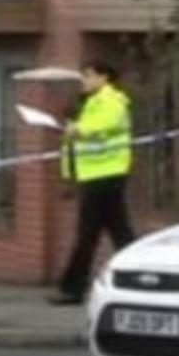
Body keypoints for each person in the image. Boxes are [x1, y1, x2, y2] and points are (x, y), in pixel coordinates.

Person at [48, 60, 136, 306]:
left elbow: (99, 127)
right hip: (97, 175)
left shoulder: (111, 101)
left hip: (106, 175)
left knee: (89, 234)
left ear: (104, 77)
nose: (83, 81)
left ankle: (72, 288)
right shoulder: (93, 102)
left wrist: (75, 129)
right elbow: (82, 136)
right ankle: (141, 277)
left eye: (87, 76)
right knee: (119, 232)